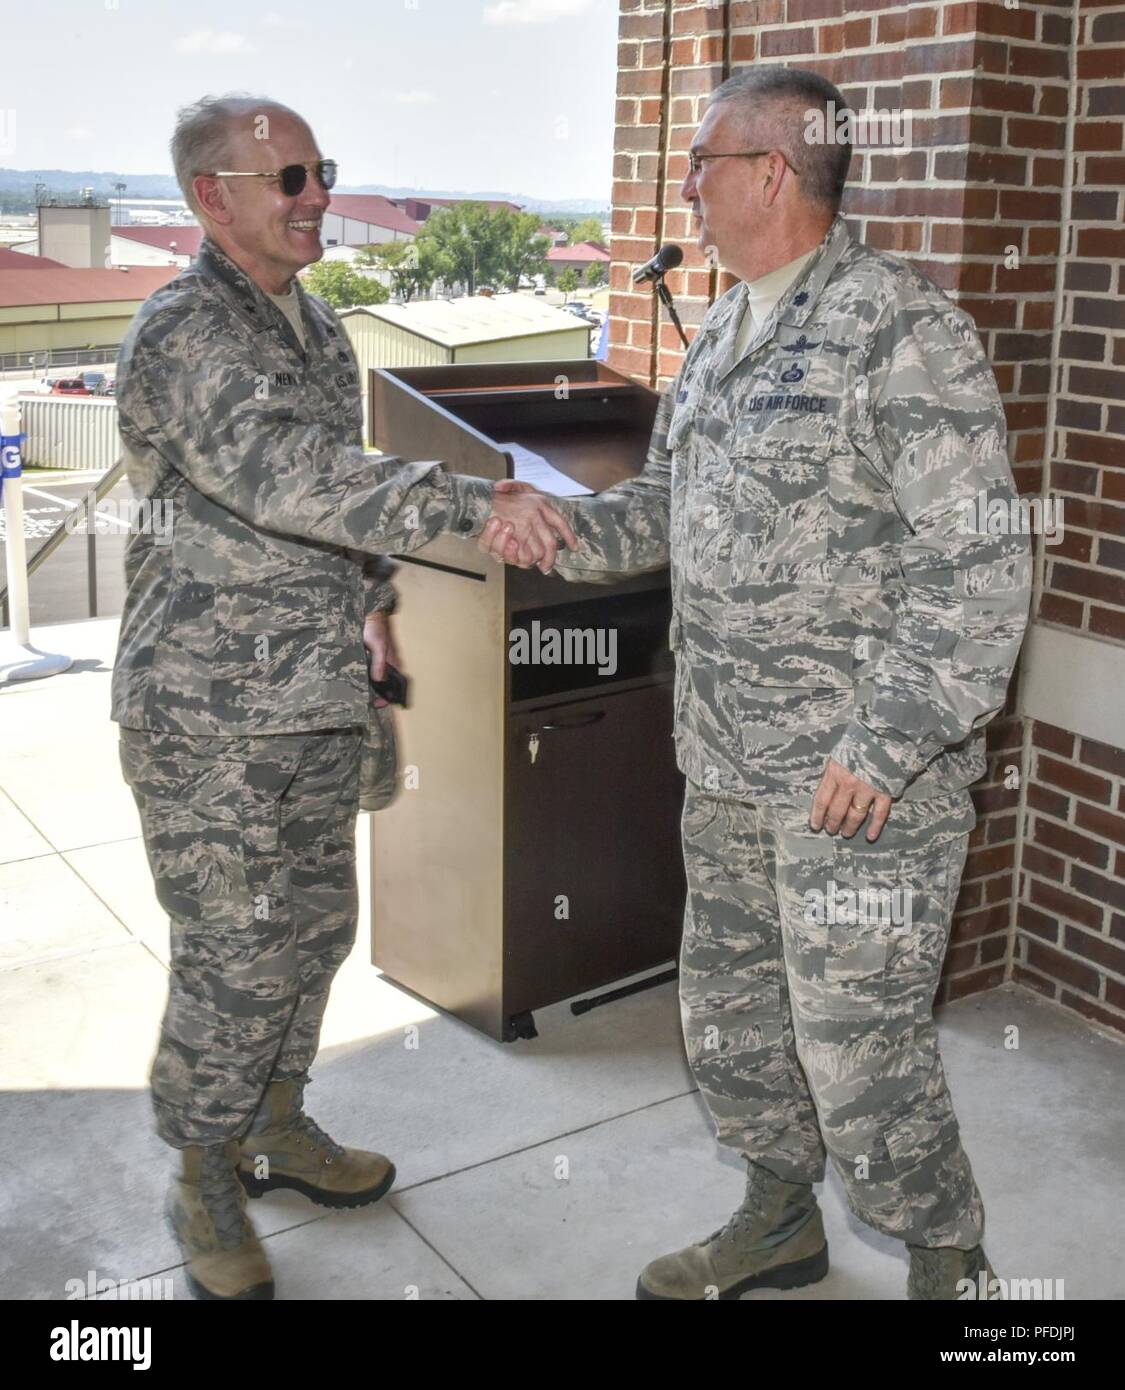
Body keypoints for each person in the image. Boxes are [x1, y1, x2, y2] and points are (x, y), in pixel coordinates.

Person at [479, 66, 1031, 1301]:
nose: (686, 183)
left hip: (859, 785)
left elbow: (984, 557)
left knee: (860, 1050)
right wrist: (556, 530)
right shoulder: (725, 328)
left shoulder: (901, 328)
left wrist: (882, 746)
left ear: (772, 171)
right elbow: (670, 508)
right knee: (731, 1019)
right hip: (725, 763)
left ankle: (953, 1265)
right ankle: (780, 1215)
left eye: (703, 160)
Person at [112, 93, 575, 1301]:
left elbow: (334, 508)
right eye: (294, 178)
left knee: (313, 930)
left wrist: (371, 601)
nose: (319, 195)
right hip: (211, 713)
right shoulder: (184, 332)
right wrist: (474, 502)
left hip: (314, 690)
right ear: (215, 198)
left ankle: (277, 1122)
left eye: (323, 171)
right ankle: (203, 1170)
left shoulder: (313, 329)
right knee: (233, 953)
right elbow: (286, 473)